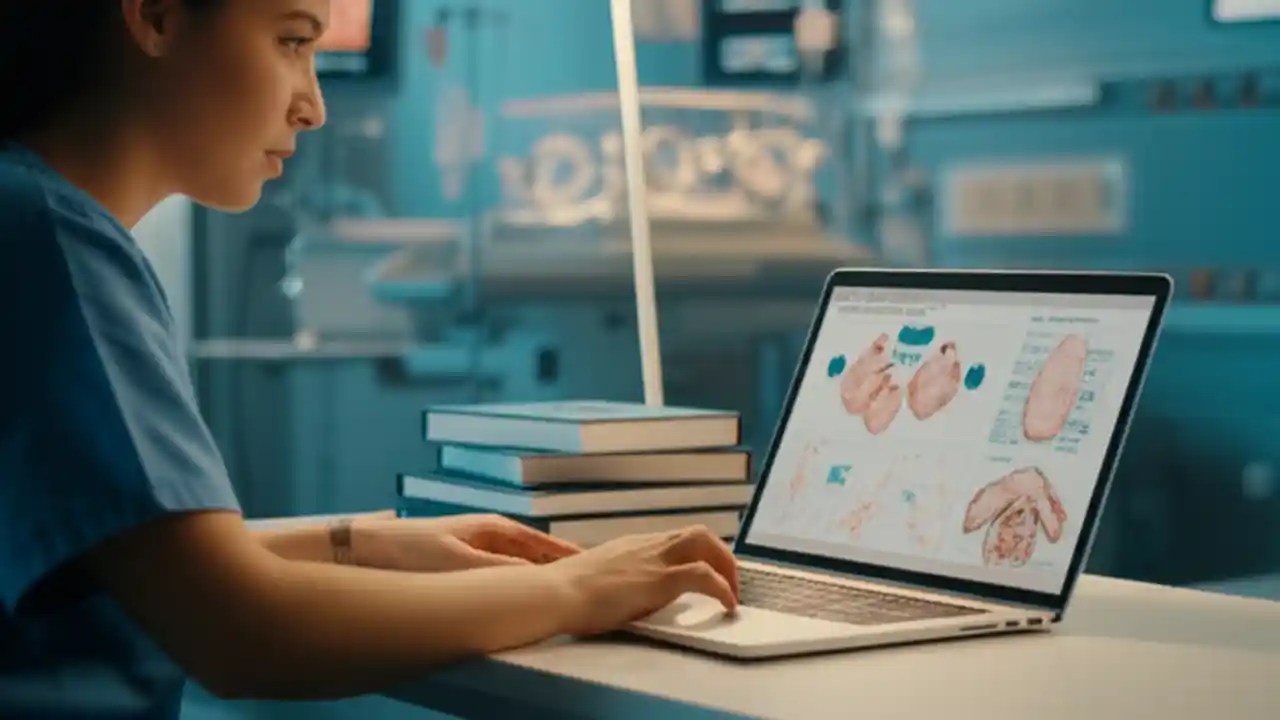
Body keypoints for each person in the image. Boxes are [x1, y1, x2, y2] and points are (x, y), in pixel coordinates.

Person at [0, 1, 740, 717]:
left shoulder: (30, 215)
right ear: (158, 16)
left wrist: (355, 543)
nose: (313, 107)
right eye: (292, 41)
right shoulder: (51, 247)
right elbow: (239, 629)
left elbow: (152, 565)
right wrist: (583, 587)